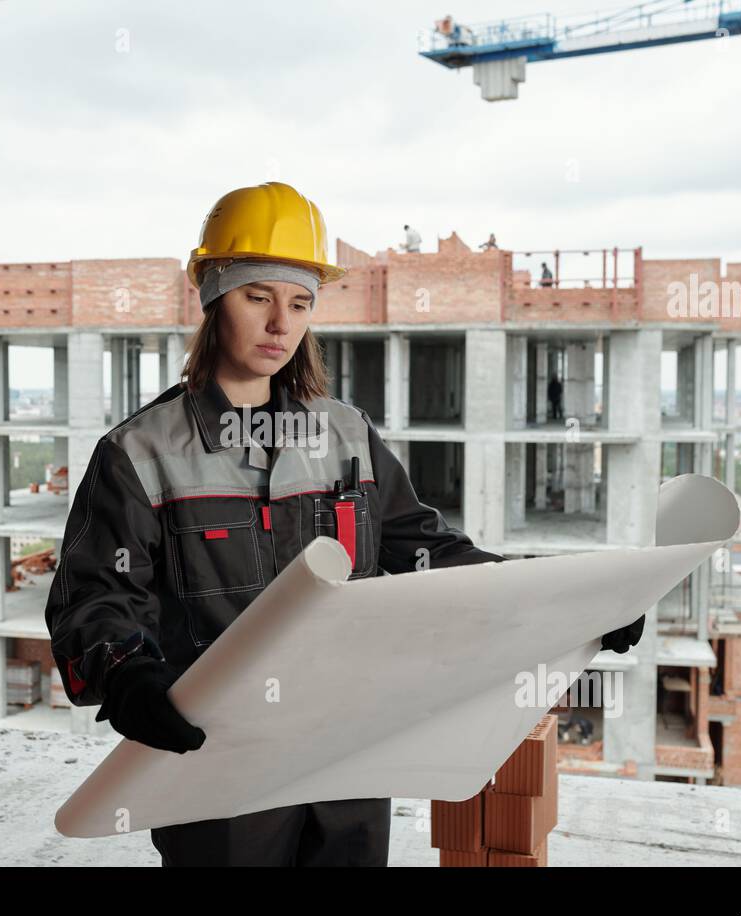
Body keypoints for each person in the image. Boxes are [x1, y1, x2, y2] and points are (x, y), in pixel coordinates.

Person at [45, 180, 645, 867]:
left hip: (346, 760)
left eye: (299, 303)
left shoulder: (346, 437)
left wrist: (575, 600)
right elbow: (95, 597)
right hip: (220, 771)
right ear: (213, 294)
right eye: (257, 296)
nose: (280, 323)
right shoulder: (140, 453)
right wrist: (126, 673)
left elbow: (428, 553)